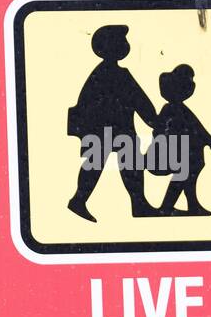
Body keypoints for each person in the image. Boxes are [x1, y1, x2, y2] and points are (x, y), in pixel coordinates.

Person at [66, 24, 158, 221]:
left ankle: (137, 203)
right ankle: (81, 201)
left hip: (109, 130)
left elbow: (138, 100)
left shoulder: (100, 73)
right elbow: (140, 100)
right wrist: (154, 121)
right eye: (121, 41)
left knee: (118, 165)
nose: (126, 45)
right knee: (110, 165)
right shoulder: (117, 74)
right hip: (113, 130)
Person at [148, 64, 211, 216]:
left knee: (188, 172)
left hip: (181, 154)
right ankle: (170, 207)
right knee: (185, 172)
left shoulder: (181, 109)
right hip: (166, 155)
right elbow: (159, 130)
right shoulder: (169, 110)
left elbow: (197, 127)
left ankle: (188, 205)